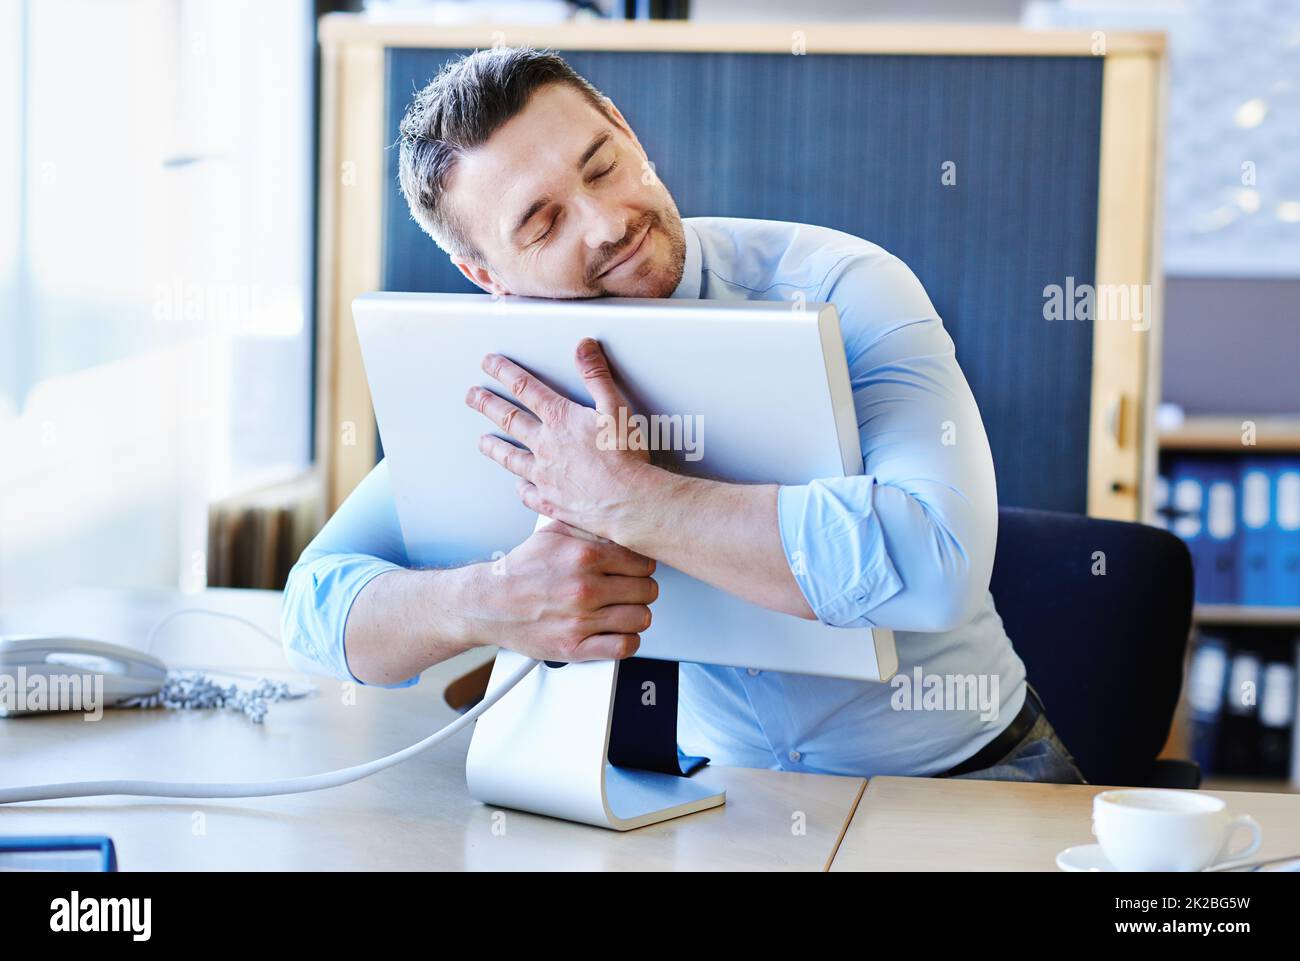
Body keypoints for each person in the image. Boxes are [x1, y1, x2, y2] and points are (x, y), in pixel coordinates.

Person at [281, 46, 1086, 784]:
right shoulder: (510, 373)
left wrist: (632, 502)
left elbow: (939, 562)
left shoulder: (843, 286)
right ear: (484, 274)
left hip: (975, 778)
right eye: (544, 222)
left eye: (603, 167)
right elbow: (314, 605)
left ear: (627, 132)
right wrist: (491, 599)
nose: (608, 223)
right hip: (726, 798)